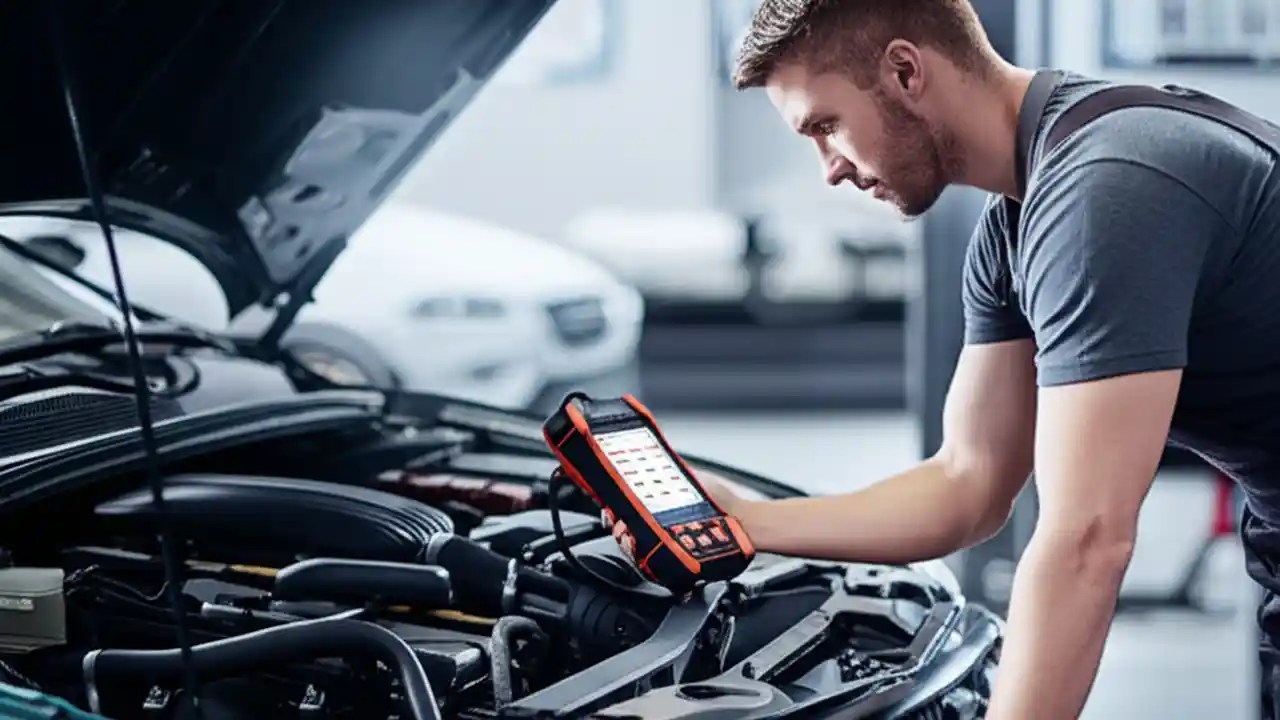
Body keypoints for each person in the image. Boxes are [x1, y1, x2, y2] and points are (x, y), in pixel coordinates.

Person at [602, 1, 1280, 717]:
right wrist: (750, 520)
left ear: (904, 70)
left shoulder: (1105, 188)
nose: (828, 169)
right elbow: (970, 481)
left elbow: (1087, 540)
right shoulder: (1020, 219)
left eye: (825, 125)